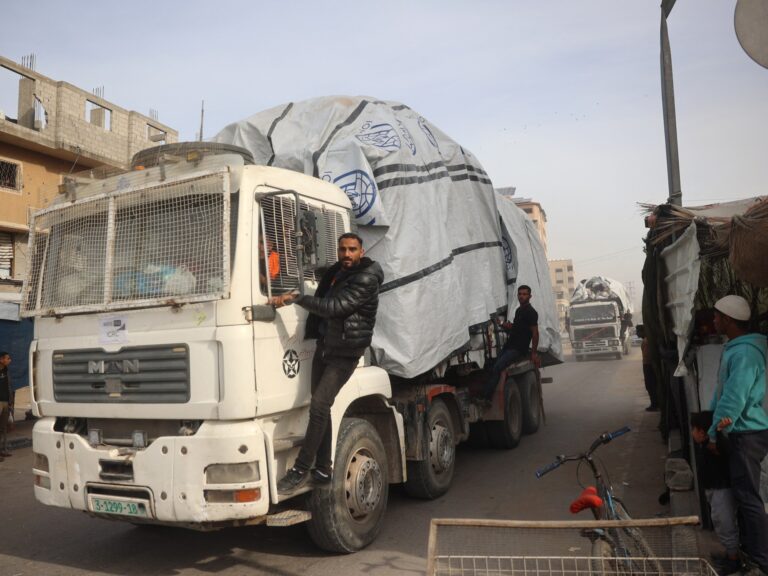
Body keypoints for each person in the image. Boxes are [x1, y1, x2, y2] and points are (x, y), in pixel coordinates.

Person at [269, 233, 384, 494]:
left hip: (345, 353)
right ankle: (322, 470)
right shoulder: (337, 271)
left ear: (361, 251)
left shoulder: (366, 279)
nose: (346, 254)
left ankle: (300, 470)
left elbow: (336, 307)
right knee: (320, 407)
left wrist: (297, 298)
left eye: (352, 250)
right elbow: (319, 274)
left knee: (320, 405)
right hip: (326, 346)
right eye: (342, 249)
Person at [708, 295, 768, 574]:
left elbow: (734, 398)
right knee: (742, 498)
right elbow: (723, 393)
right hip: (741, 431)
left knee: (748, 499)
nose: (715, 321)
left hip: (745, 434)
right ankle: (743, 557)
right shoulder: (738, 348)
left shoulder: (744, 353)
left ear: (729, 320)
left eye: (718, 317)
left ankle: (760, 561)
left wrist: (715, 432)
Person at [691, 411, 741, 575]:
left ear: (702, 432)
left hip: (721, 489)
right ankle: (729, 554)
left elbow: (725, 448)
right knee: (719, 521)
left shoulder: (714, 445)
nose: (692, 433)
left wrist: (718, 431)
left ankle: (733, 560)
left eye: (694, 429)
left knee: (724, 522)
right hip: (712, 489)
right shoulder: (704, 445)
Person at [481, 285, 539, 404]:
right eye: (520, 294)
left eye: (524, 294)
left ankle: (486, 398)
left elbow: (535, 333)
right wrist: (502, 324)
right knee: (493, 365)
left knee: (498, 368)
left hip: (518, 348)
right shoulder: (519, 311)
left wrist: (533, 352)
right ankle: (485, 394)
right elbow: (516, 328)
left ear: (530, 296)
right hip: (510, 345)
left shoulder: (531, 312)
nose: (521, 296)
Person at [636, 325, 659, 411]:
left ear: (643, 332)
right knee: (651, 385)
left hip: (648, 365)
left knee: (650, 385)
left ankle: (654, 404)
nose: (637, 334)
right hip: (649, 364)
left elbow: (647, 356)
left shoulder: (646, 341)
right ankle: (655, 403)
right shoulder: (647, 340)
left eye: (638, 331)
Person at [0, 351, 13, 461]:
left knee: (3, 428)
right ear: (1, 360)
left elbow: (9, 386)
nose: (9, 360)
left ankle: (3, 450)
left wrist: (10, 402)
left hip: (5, 402)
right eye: (7, 358)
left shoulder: (6, 371)